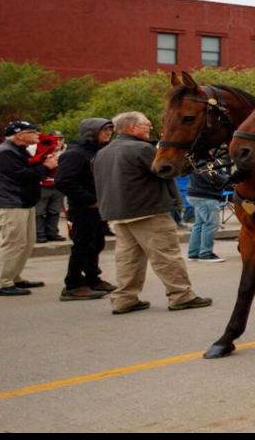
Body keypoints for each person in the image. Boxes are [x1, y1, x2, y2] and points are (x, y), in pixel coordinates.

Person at [91, 111, 211, 315]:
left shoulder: (104, 152)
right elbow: (166, 170)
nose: (150, 128)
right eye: (146, 124)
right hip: (148, 209)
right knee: (166, 255)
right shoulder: (141, 149)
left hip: (118, 212)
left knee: (128, 258)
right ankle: (181, 295)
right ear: (132, 127)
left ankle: (124, 299)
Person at [0, 120, 55, 297]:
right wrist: (46, 167)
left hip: (21, 203)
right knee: (13, 243)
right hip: (8, 204)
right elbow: (19, 176)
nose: (38, 134)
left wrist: (43, 162)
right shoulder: (5, 152)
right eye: (33, 131)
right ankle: (0, 283)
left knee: (26, 243)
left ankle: (14, 277)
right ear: (19, 135)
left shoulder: (18, 150)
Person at [53, 117, 118, 300]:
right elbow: (64, 181)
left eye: (109, 129)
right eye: (104, 129)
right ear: (91, 132)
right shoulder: (75, 154)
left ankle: (92, 279)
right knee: (82, 245)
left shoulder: (99, 151)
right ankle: (72, 284)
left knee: (96, 243)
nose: (108, 133)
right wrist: (90, 200)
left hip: (99, 206)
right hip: (83, 207)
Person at [185, 159, 230, 263]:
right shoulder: (205, 161)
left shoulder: (199, 159)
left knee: (199, 224)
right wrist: (229, 180)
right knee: (211, 224)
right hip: (206, 196)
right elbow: (212, 177)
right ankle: (205, 253)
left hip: (198, 195)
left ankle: (193, 253)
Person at [34, 131, 68, 243]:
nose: (58, 141)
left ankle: (52, 233)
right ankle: (40, 234)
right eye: (55, 138)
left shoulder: (66, 151)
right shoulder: (42, 150)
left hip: (58, 185)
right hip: (42, 184)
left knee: (55, 210)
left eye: (61, 138)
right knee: (39, 210)